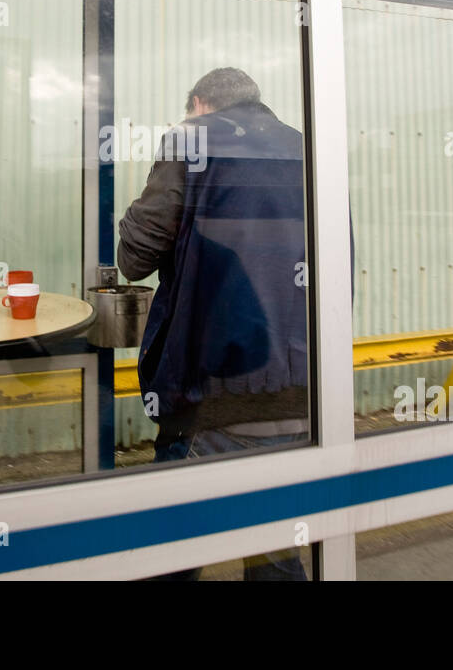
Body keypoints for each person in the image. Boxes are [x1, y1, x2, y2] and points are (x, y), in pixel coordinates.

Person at [118, 67, 309, 580]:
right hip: (302, 389)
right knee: (273, 542)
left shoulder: (188, 139)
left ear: (200, 103)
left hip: (214, 392)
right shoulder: (307, 146)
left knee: (170, 549)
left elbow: (134, 257)